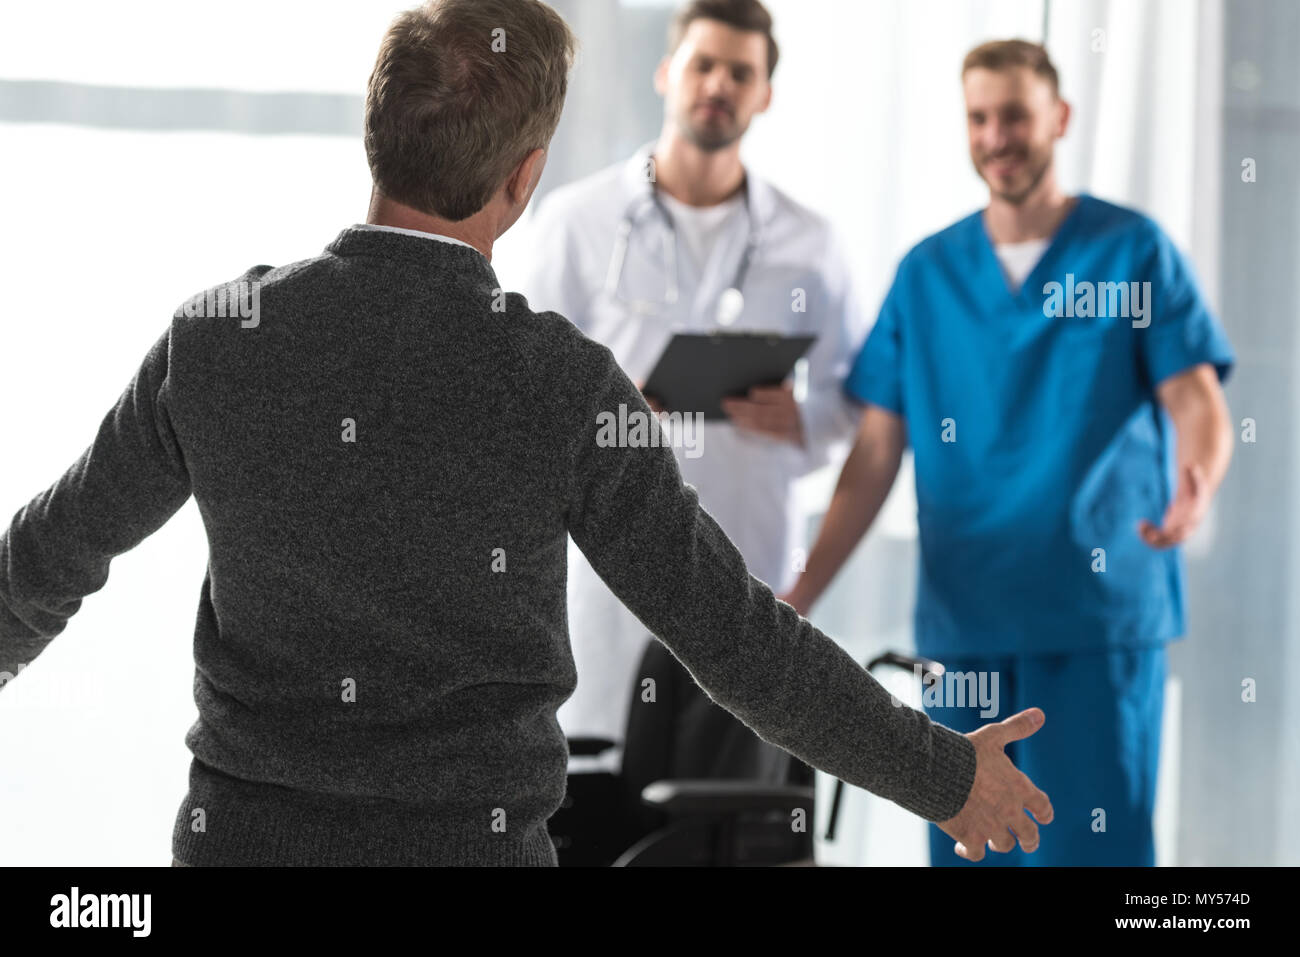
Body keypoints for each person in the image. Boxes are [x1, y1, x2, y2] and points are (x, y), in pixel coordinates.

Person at [0, 0, 1051, 867]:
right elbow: (736, 642)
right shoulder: (563, 384)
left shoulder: (216, 340)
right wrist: (943, 777)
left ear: (375, 130)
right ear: (522, 178)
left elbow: (43, 558)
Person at [782, 39, 1235, 866]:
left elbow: (1194, 397)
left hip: (1097, 619)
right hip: (968, 621)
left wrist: (1195, 483)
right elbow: (878, 451)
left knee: (1096, 853)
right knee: (973, 850)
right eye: (979, 118)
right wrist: (802, 589)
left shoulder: (1132, 253)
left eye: (1016, 115)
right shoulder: (927, 274)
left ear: (1058, 119)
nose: (997, 136)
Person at [518, 0, 870, 784]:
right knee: (600, 810)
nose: (719, 84)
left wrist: (802, 416)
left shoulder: (811, 242)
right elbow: (519, 400)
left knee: (734, 813)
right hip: (607, 591)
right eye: (703, 64)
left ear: (766, 94)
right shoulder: (576, 222)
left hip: (753, 578)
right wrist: (602, 416)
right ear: (666, 74)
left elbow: (855, 407)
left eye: (740, 72)